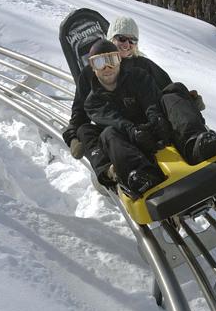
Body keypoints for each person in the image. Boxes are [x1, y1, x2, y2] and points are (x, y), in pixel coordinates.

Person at [83, 39, 216, 198]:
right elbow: (114, 120)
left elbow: (151, 100)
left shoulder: (138, 75)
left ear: (119, 60)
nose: (107, 68)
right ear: (92, 67)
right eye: (100, 63)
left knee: (173, 92)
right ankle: (141, 175)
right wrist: (134, 132)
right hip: (131, 145)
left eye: (111, 60)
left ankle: (195, 144)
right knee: (108, 134)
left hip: (159, 130)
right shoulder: (92, 102)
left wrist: (156, 120)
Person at [62, 16, 171, 185]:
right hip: (116, 131)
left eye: (132, 40)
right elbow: (81, 109)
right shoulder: (90, 75)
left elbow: (165, 91)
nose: (126, 44)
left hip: (147, 126)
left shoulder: (142, 66)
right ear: (110, 38)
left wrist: (185, 98)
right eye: (121, 38)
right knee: (89, 131)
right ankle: (110, 171)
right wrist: (72, 136)